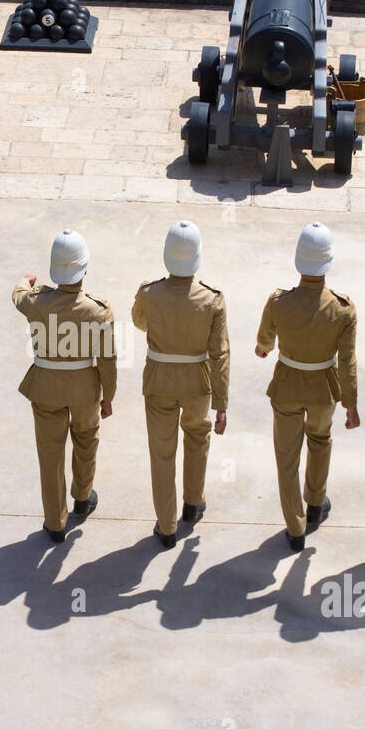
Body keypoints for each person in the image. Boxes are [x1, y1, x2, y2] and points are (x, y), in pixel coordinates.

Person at [255, 221, 359, 551]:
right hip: (323, 390)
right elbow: (347, 360)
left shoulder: (279, 301)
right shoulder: (343, 309)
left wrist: (264, 348)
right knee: (320, 440)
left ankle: (295, 526)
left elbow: (264, 341)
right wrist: (351, 402)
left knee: (286, 458)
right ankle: (315, 503)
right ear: (328, 262)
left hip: (287, 384)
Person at [13, 228, 116, 544]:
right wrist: (108, 397)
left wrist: (25, 280)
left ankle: (55, 522)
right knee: (86, 440)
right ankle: (82, 497)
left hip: (46, 388)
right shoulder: (99, 310)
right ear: (85, 269)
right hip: (84, 388)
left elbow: (17, 296)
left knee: (50, 453)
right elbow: (108, 360)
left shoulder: (36, 303)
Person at [131, 220, 229, 549]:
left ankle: (167, 525)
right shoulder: (213, 300)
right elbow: (220, 354)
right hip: (198, 383)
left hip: (159, 379)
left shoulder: (149, 293)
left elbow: (140, 322)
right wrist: (222, 403)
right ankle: (193, 502)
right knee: (197, 441)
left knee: (162, 453)